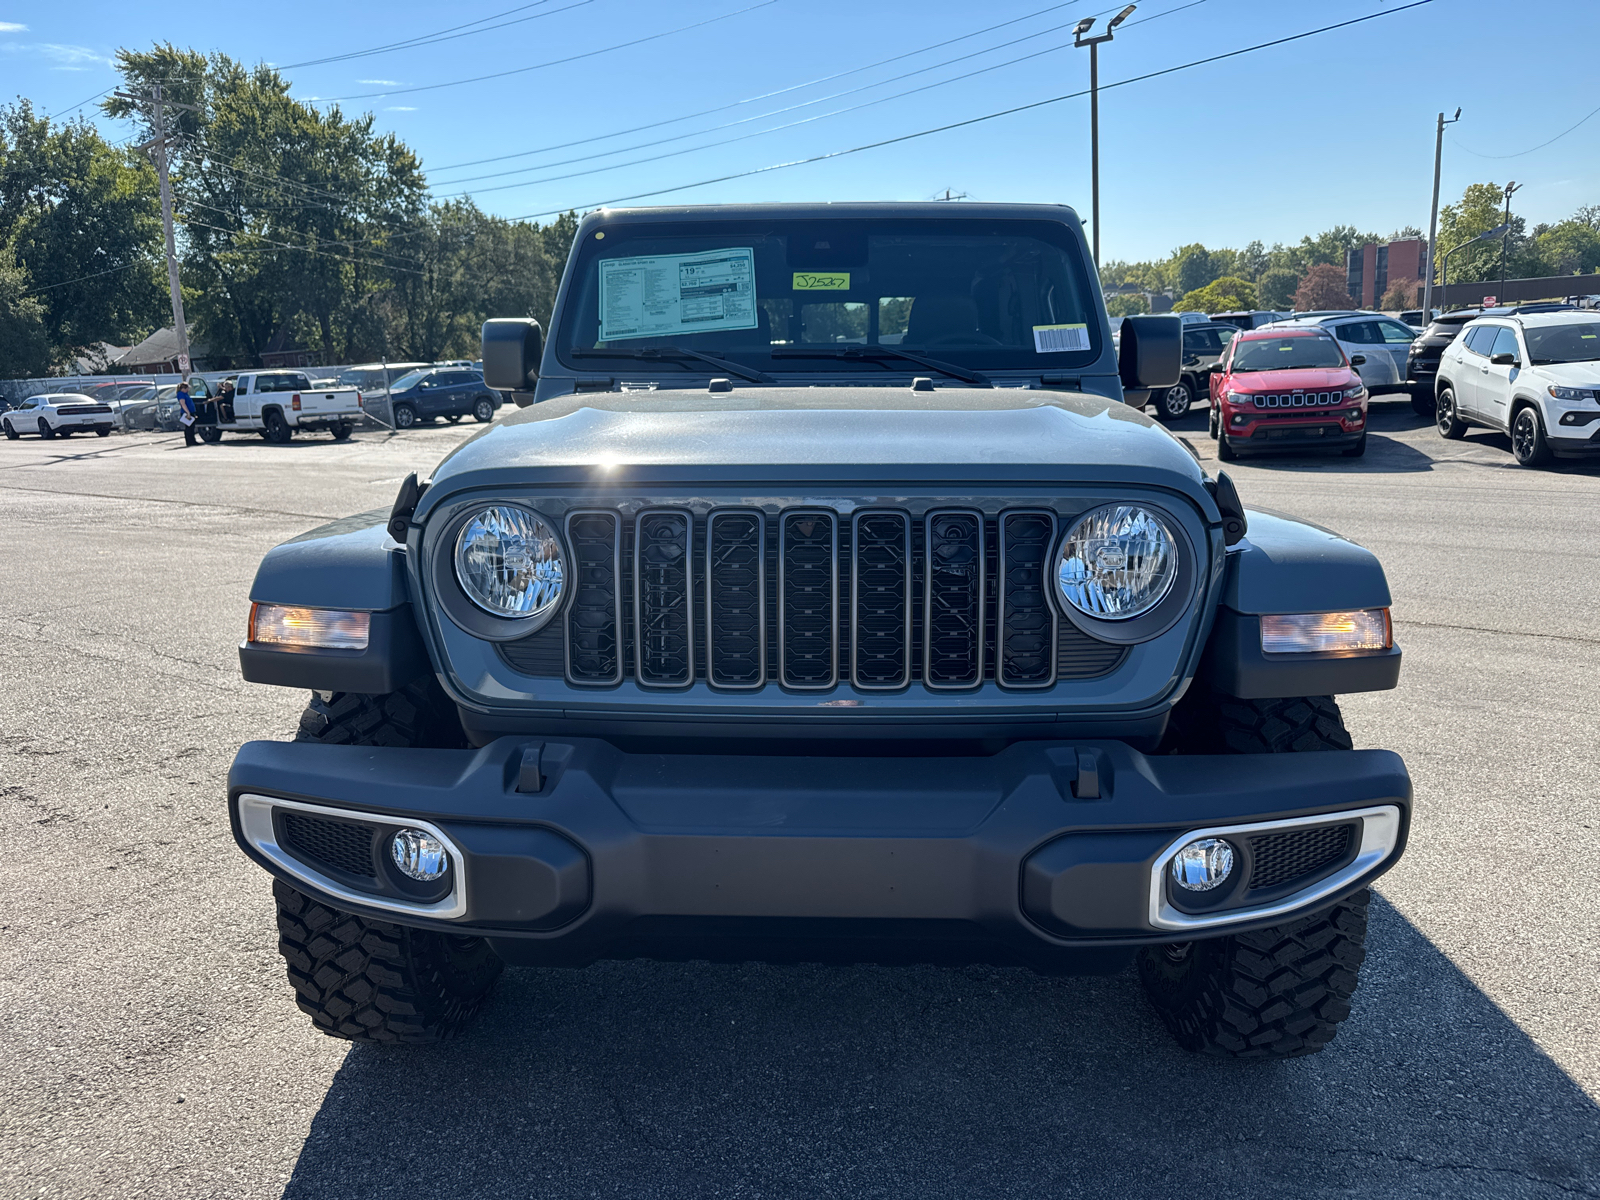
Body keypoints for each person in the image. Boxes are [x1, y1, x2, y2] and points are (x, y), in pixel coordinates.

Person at [177, 379, 198, 446]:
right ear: (183, 388)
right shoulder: (181, 394)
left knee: (192, 427)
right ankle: (189, 441)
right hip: (186, 413)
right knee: (189, 428)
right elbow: (183, 404)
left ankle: (193, 441)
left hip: (191, 412)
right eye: (187, 388)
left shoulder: (186, 394)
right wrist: (188, 412)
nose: (188, 390)